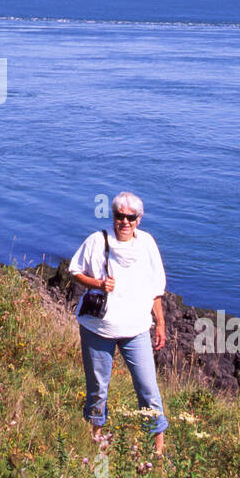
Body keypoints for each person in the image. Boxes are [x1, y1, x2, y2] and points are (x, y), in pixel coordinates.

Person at [69, 191, 169, 456]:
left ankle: (157, 446)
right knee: (97, 387)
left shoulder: (147, 243)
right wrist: (98, 284)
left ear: (139, 219)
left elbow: (155, 288)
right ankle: (95, 436)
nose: (124, 222)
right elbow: (74, 271)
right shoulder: (96, 241)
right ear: (112, 215)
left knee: (147, 387)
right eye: (119, 216)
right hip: (98, 328)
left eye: (130, 217)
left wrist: (160, 323)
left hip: (136, 330)